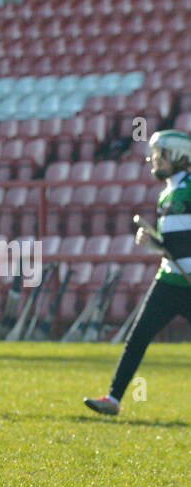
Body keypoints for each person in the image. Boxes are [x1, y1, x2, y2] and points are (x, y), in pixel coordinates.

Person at [85, 129, 191, 416]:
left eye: (161, 155)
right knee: (138, 337)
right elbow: (172, 244)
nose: (155, 160)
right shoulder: (165, 194)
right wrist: (154, 242)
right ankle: (113, 398)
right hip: (168, 280)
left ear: (180, 156)